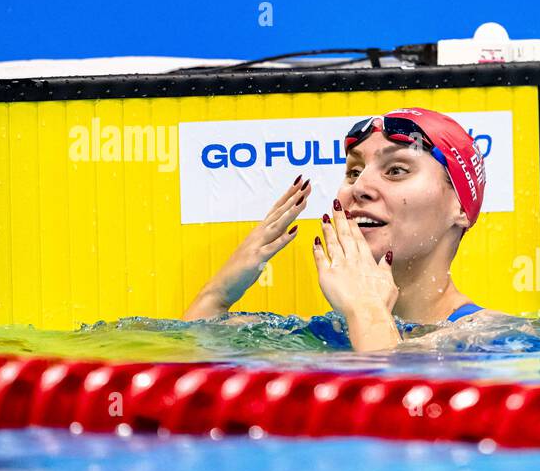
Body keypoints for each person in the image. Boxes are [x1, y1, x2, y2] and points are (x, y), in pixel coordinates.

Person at [184, 108, 488, 350]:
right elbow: (188, 363)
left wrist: (366, 313)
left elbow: (398, 416)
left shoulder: (490, 341)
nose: (360, 187)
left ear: (460, 206)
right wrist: (217, 295)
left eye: (396, 170)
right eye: (354, 172)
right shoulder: (320, 336)